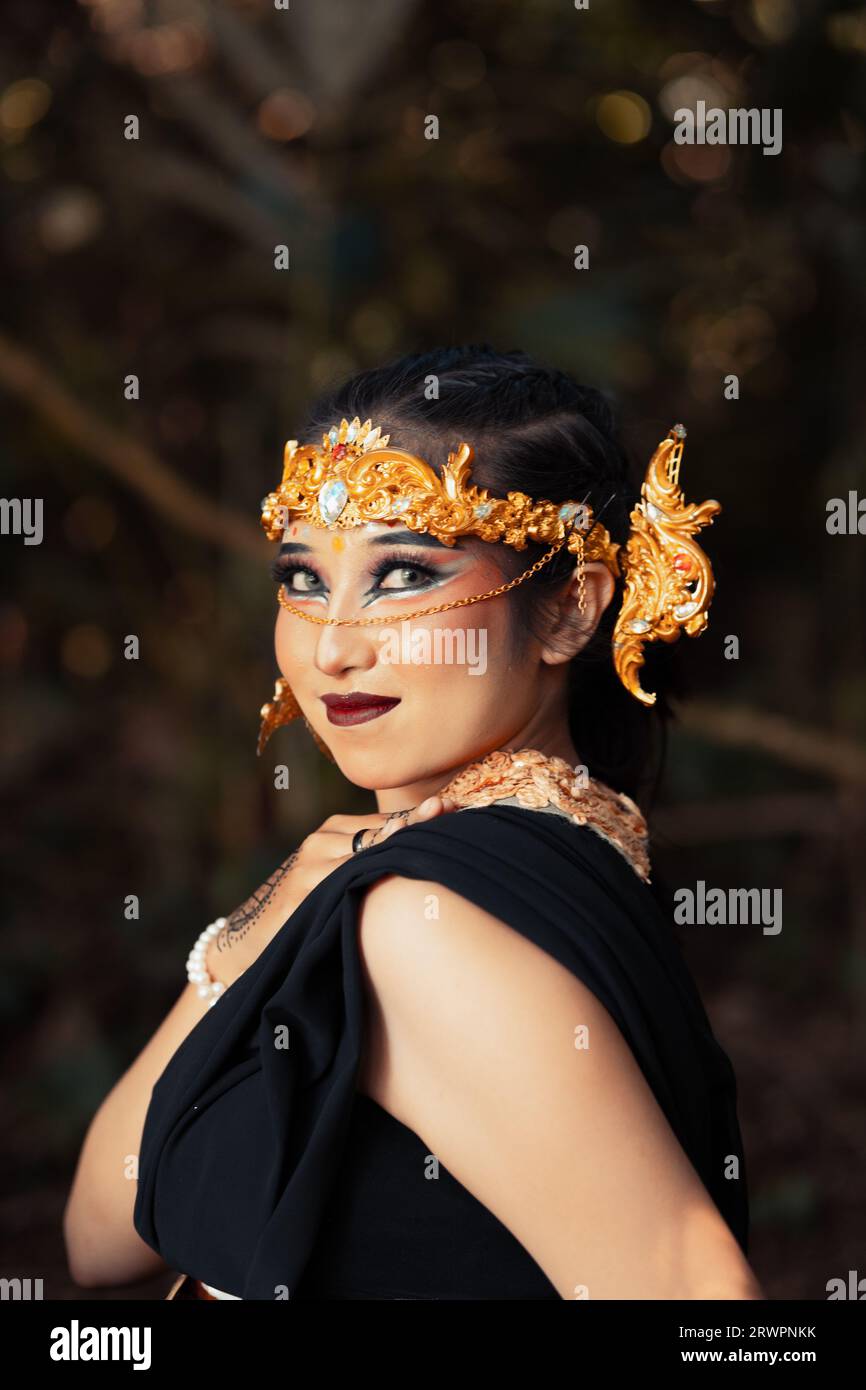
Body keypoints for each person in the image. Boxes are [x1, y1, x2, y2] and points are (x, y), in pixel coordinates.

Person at [63, 345, 765, 1300]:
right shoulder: (454, 880)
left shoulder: (425, 926)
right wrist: (260, 928)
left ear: (568, 611)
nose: (335, 645)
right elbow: (101, 1238)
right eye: (304, 579)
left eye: (401, 576)